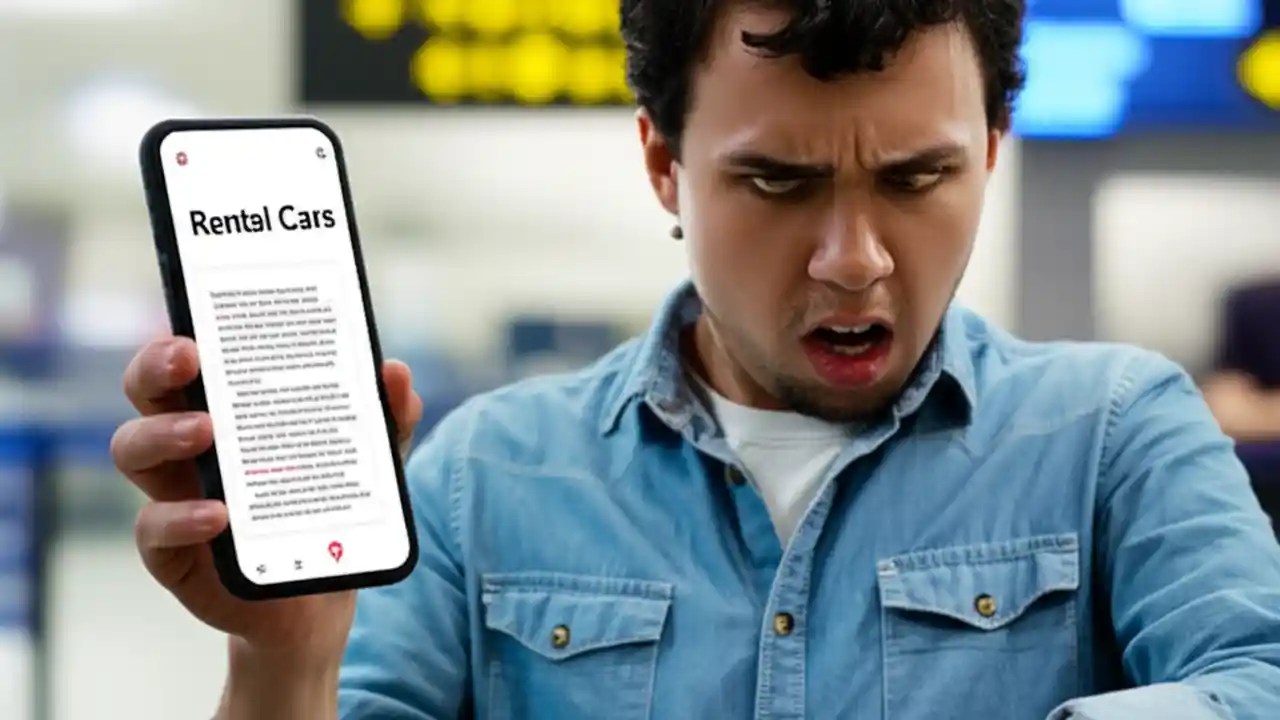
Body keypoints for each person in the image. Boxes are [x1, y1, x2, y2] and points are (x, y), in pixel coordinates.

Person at [111, 1, 1280, 718]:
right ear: (663, 165)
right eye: (776, 182)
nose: (853, 261)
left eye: (918, 178)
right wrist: (284, 666)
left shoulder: (1114, 433)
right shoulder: (483, 478)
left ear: (987, 149)